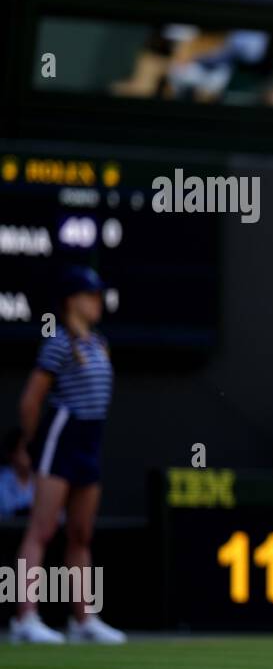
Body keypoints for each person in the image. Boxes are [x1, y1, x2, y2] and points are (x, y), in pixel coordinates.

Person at [11, 267, 124, 645]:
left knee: (81, 534)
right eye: (90, 295)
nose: (97, 302)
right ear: (71, 300)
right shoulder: (59, 343)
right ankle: (25, 617)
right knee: (42, 529)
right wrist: (29, 445)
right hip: (61, 436)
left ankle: (83, 619)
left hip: (89, 442)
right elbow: (31, 400)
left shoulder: (100, 343)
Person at [0, 426, 34, 518]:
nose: (29, 455)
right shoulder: (2, 479)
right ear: (12, 454)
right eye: (25, 449)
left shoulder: (43, 479)